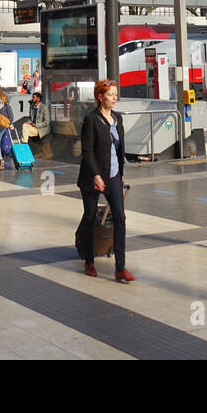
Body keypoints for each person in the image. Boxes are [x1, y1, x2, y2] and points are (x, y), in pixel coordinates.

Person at [74, 80, 133, 282]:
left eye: (116, 94)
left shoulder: (117, 119)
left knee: (120, 217)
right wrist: (96, 176)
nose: (114, 97)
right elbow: (87, 151)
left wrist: (121, 172)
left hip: (114, 174)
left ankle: (120, 267)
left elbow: (119, 150)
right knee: (90, 217)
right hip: (93, 176)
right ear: (100, 97)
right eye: (110, 94)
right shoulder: (92, 119)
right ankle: (89, 260)